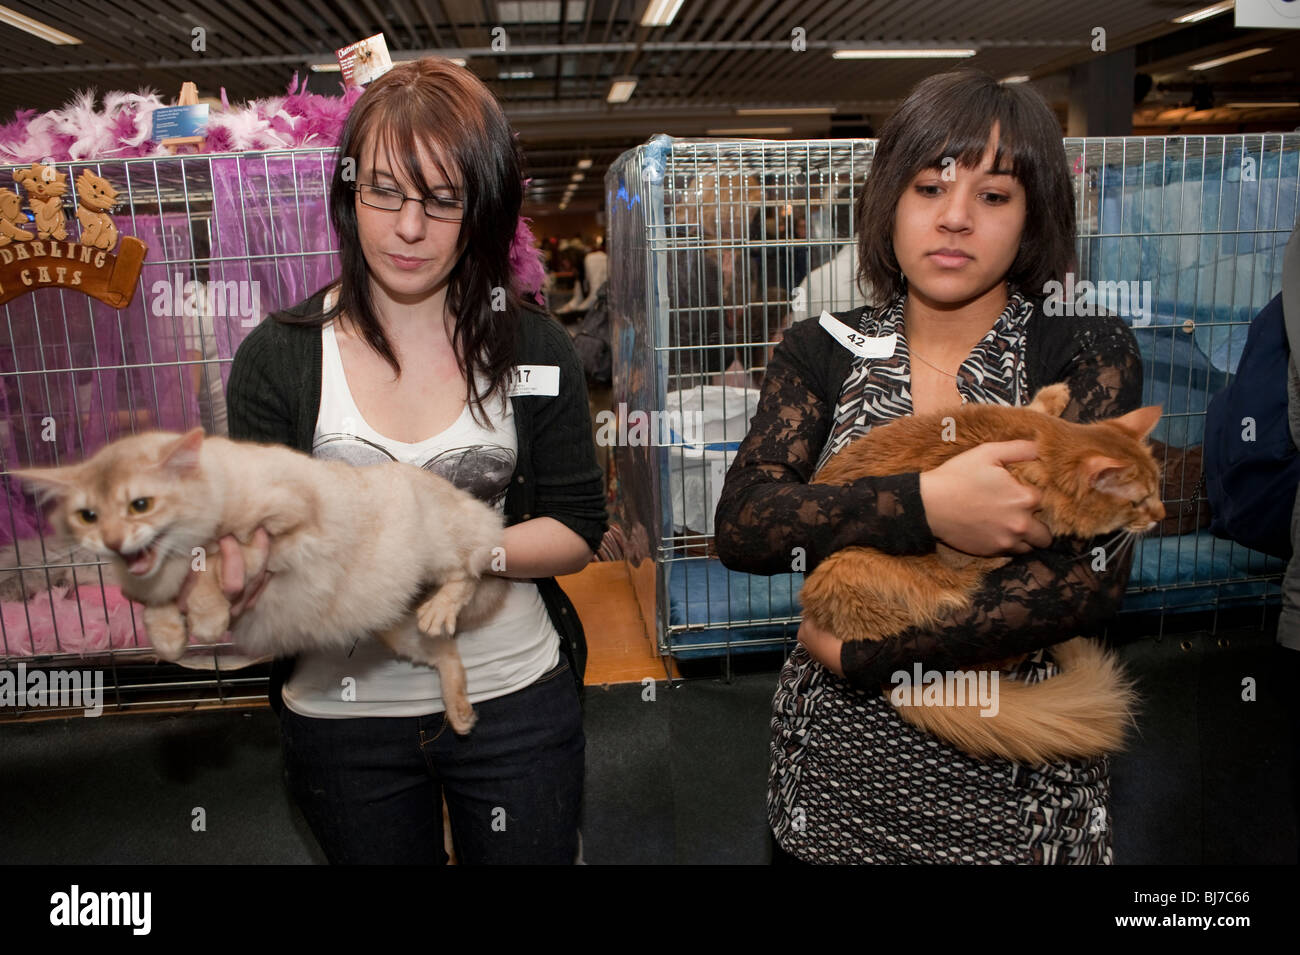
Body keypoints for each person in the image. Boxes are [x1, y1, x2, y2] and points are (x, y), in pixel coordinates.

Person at [714, 69, 1144, 865]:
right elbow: (745, 523)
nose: (954, 217)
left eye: (994, 195)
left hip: (1019, 801)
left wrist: (860, 654)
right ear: (890, 201)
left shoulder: (1084, 347)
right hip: (834, 790)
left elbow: (1085, 580)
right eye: (929, 186)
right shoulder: (820, 347)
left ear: (1034, 216)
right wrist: (927, 505)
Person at [195, 59, 606, 864]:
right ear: (349, 194)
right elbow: (257, 555)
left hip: (511, 699)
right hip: (343, 718)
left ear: (481, 209)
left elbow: (576, 527)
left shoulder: (535, 347)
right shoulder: (279, 359)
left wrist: (455, 549)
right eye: (384, 191)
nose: (409, 227)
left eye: (443, 199)